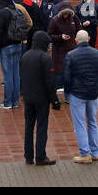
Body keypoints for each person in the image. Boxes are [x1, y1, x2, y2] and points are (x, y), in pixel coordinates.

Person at [62, 29, 98, 164]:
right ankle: (95, 152)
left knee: (80, 124)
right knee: (92, 122)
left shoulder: (71, 55)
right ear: (88, 39)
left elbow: (66, 77)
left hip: (77, 93)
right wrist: (96, 87)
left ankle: (85, 153)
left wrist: (68, 92)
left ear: (76, 40)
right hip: (93, 93)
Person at [20, 30, 59, 166]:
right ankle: (41, 156)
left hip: (28, 97)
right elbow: (49, 82)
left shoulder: (25, 56)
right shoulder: (45, 58)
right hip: (42, 99)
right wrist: (54, 100)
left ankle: (28, 156)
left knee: (28, 126)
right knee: (42, 127)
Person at [0, 0, 27, 109]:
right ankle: (15, 102)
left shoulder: (2, 12)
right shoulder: (17, 10)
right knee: (16, 74)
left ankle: (7, 102)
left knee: (7, 75)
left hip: (6, 47)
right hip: (18, 44)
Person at [48, 3, 78, 89]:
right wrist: (60, 37)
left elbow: (78, 28)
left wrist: (77, 37)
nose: (66, 15)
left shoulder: (74, 18)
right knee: (59, 68)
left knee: (70, 67)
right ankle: (59, 86)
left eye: (67, 14)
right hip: (59, 49)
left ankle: (69, 86)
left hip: (71, 47)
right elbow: (49, 35)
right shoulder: (54, 20)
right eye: (64, 13)